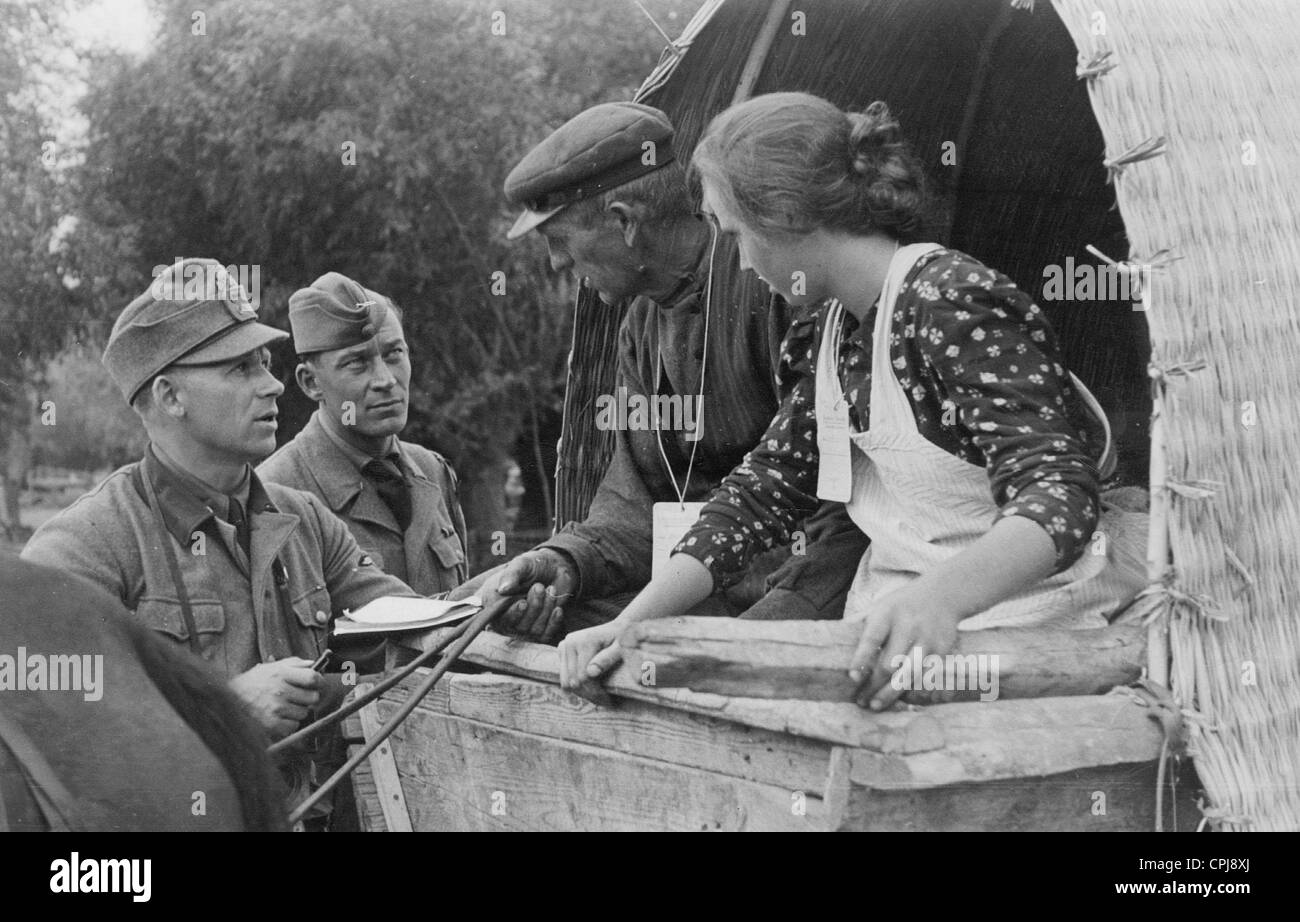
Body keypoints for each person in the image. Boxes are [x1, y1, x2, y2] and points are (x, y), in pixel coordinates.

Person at [557, 93, 1147, 708]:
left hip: (1029, 628)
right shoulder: (830, 329)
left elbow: (1059, 496)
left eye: (736, 235)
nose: (740, 261)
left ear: (786, 214)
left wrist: (939, 598)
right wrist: (632, 623)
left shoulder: (951, 303)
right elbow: (763, 493)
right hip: (891, 632)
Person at [20, 259, 420, 827]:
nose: (272, 384)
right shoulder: (87, 545)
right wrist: (223, 709)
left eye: (265, 363)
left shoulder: (304, 521)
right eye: (240, 368)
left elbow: (417, 626)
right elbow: (47, 733)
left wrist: (513, 585)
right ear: (170, 396)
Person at [452, 101, 869, 640]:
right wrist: (564, 564)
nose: (556, 263)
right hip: (690, 592)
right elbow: (633, 510)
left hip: (805, 593)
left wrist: (745, 644)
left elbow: (841, 515)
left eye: (559, 240)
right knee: (480, 609)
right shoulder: (639, 326)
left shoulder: (779, 283)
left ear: (624, 222)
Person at [258, 272, 467, 597]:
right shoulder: (276, 494)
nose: (386, 380)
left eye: (394, 354)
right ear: (311, 383)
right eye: (357, 363)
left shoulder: (432, 471)